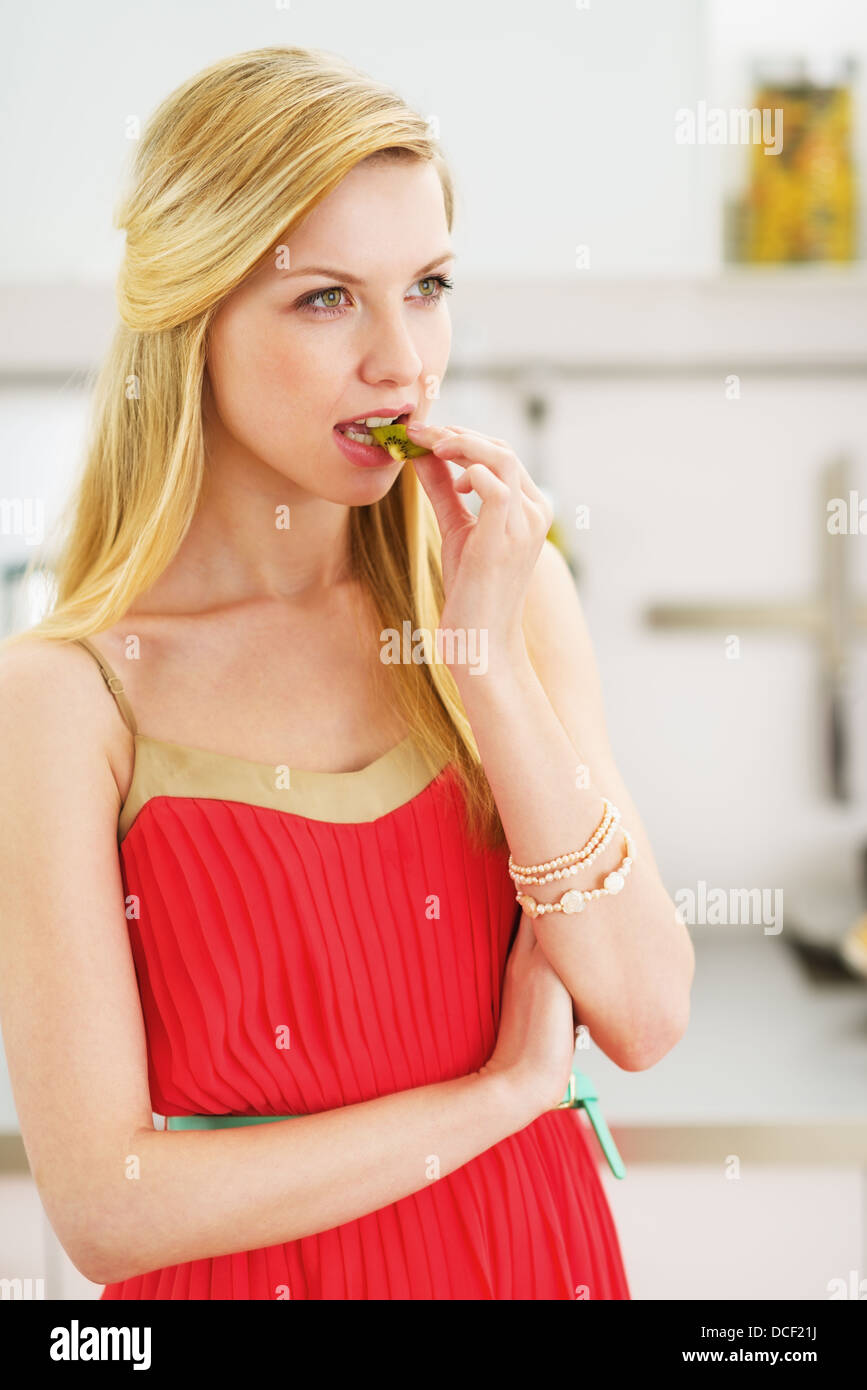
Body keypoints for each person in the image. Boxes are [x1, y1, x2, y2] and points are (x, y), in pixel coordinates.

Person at [0, 45, 693, 1300]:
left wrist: (484, 668)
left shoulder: (506, 592)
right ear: (192, 315)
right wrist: (502, 1099)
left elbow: (642, 1007)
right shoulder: (66, 693)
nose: (403, 362)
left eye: (426, 286)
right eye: (327, 299)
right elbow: (107, 1206)